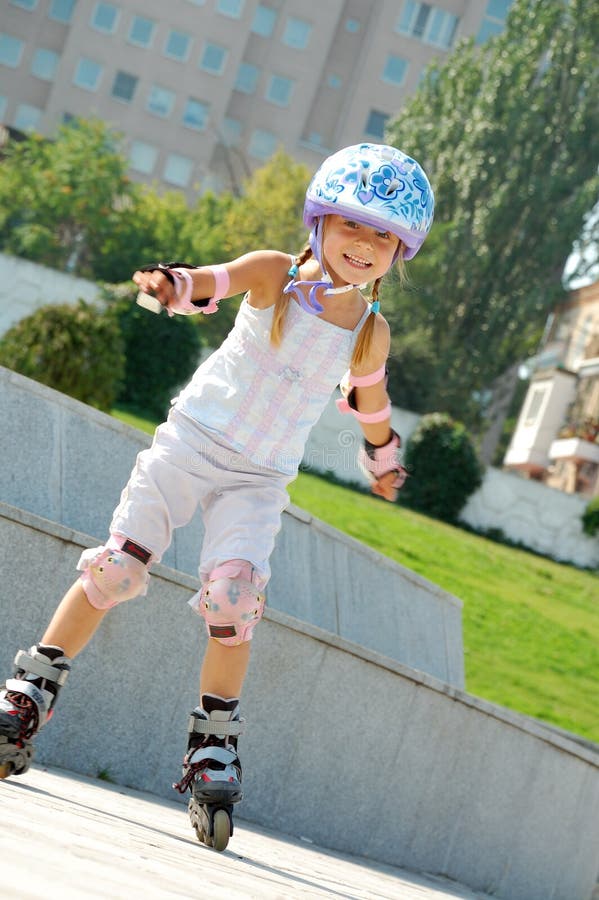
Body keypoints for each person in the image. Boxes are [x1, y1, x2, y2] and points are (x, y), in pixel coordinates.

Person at [0, 143, 434, 850]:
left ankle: (212, 744)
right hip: (191, 445)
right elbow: (214, 280)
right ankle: (30, 692)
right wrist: (176, 286)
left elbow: (373, 403)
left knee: (234, 604)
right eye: (353, 225)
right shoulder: (274, 274)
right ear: (320, 221)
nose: (365, 244)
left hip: (258, 480)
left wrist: (383, 460)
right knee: (117, 567)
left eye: (383, 236)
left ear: (398, 254)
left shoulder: (368, 332)